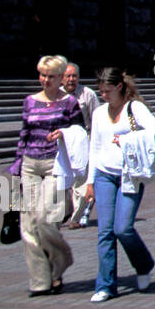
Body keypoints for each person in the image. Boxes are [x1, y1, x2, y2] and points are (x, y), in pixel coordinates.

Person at [86, 67, 155, 302]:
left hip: (130, 175)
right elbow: (95, 147)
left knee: (123, 228)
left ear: (119, 87)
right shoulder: (99, 113)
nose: (103, 95)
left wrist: (128, 139)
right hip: (103, 175)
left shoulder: (134, 108)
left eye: (107, 91)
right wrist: (90, 181)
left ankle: (144, 264)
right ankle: (106, 285)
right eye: (100, 91)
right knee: (105, 232)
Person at [11, 55, 82, 296]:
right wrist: (18, 167)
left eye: (50, 76)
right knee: (29, 225)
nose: (45, 80)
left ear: (61, 77)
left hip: (55, 164)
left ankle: (61, 262)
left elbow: (79, 132)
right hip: (30, 164)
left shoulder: (70, 102)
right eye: (42, 75)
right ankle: (40, 281)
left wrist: (63, 133)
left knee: (44, 220)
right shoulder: (29, 101)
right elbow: (25, 134)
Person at [61, 61, 99, 229]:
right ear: (61, 78)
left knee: (81, 183)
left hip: (84, 142)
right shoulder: (56, 95)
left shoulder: (87, 94)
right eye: (67, 76)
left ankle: (76, 218)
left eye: (74, 76)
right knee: (63, 183)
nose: (71, 79)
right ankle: (66, 212)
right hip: (63, 144)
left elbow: (97, 119)